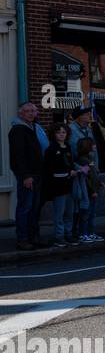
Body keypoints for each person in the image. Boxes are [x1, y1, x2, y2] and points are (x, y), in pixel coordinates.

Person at [9, 101, 44, 250]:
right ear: (21, 114)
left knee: (35, 207)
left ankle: (33, 237)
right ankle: (22, 239)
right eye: (28, 111)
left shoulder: (34, 129)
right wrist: (25, 175)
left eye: (33, 111)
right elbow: (19, 155)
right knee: (25, 206)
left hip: (38, 173)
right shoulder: (18, 130)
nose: (31, 113)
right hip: (28, 175)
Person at [41, 124, 77, 248]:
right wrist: (67, 172)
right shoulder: (51, 150)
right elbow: (50, 169)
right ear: (53, 134)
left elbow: (70, 163)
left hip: (69, 184)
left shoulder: (68, 147)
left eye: (64, 132)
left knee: (69, 211)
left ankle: (68, 234)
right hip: (58, 185)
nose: (61, 134)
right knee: (59, 213)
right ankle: (59, 236)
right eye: (58, 132)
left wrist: (73, 170)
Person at [72, 136, 102, 243]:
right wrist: (92, 191)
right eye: (93, 144)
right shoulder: (84, 160)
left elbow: (93, 174)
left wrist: (99, 183)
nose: (95, 146)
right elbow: (86, 178)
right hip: (89, 192)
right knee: (86, 214)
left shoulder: (90, 158)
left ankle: (90, 232)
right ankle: (83, 233)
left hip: (93, 189)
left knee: (91, 213)